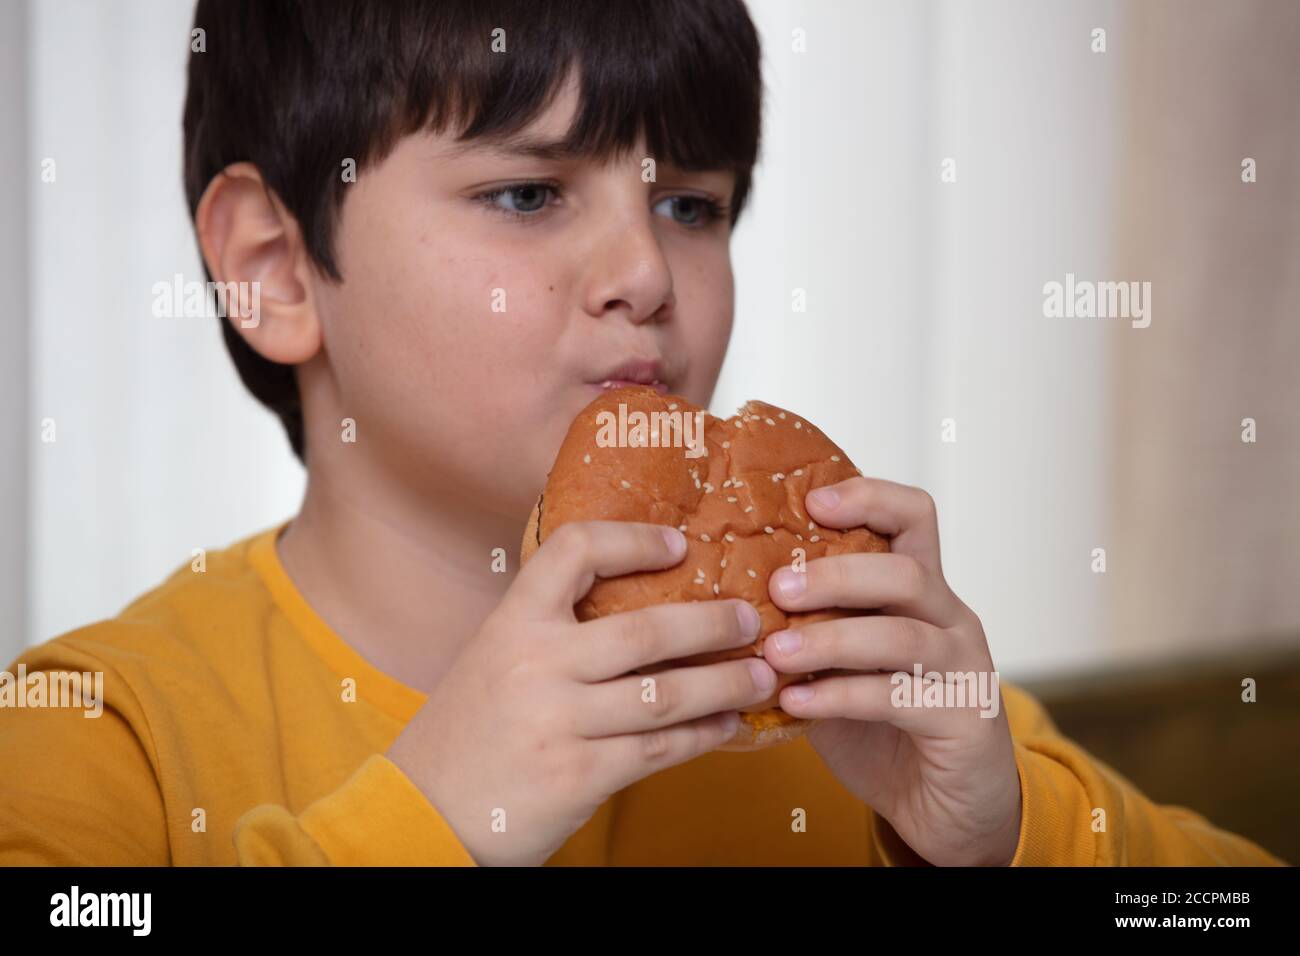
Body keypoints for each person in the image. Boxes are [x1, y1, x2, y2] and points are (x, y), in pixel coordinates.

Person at [0, 0, 1282, 866]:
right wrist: (431, 817)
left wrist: (1009, 835)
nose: (642, 272)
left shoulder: (836, 696)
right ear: (276, 266)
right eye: (526, 191)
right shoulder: (97, 732)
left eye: (690, 203)